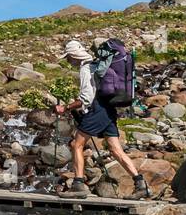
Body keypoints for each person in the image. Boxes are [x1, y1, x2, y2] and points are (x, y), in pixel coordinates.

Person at [54, 40, 150, 199]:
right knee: (115, 150)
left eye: (68, 57)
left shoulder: (86, 69)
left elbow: (86, 98)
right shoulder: (97, 65)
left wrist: (65, 108)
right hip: (109, 109)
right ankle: (141, 184)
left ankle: (78, 184)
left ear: (74, 56)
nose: (68, 61)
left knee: (76, 144)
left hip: (97, 110)